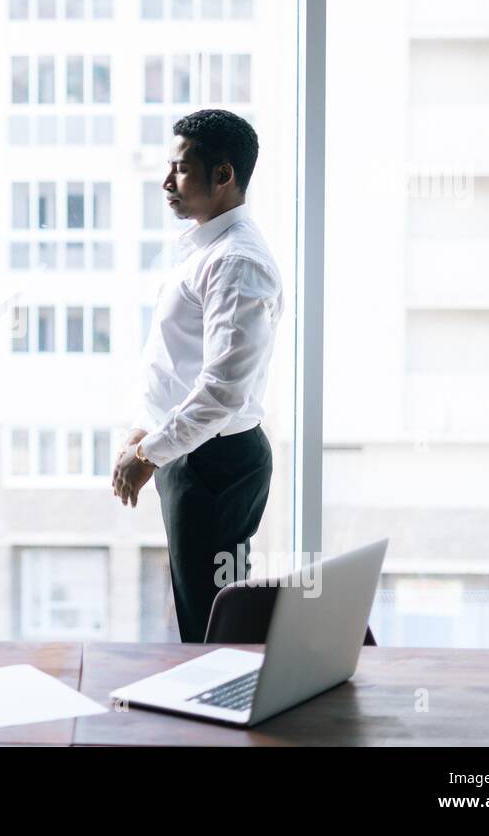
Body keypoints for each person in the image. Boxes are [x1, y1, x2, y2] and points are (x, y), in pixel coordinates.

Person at [111, 109, 284, 643]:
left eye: (181, 169)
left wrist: (147, 455)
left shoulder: (237, 263)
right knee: (200, 613)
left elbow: (221, 392)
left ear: (224, 175)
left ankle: (220, 721)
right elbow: (176, 361)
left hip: (216, 464)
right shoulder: (206, 250)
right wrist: (149, 431)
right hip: (192, 453)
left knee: (212, 624)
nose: (167, 182)